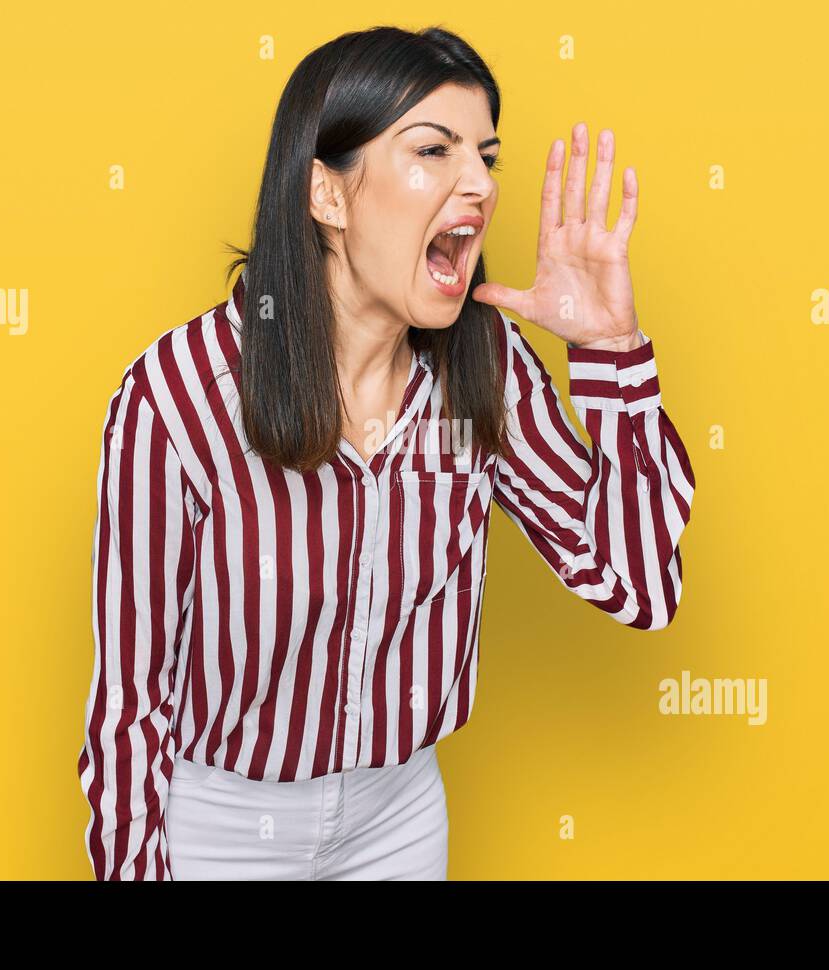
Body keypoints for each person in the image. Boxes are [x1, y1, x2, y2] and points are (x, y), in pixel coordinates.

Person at [77, 24, 695, 881]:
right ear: (327, 196)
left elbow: (640, 583)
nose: (477, 185)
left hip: (399, 818)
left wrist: (612, 351)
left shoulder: (486, 369)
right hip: (223, 829)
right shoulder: (179, 398)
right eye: (433, 151)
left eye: (485, 156)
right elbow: (128, 707)